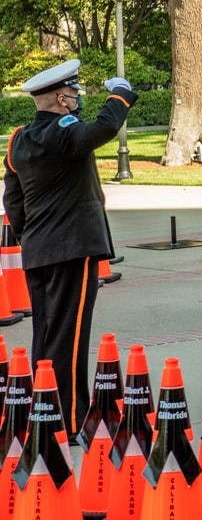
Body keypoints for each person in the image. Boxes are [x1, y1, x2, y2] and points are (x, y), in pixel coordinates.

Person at [2, 59, 137, 434]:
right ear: (61, 98)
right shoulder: (63, 132)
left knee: (45, 334)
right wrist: (120, 96)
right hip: (71, 249)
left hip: (39, 251)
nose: (77, 100)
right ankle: (68, 420)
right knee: (71, 338)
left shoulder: (19, 140)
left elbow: (13, 203)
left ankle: (43, 410)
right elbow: (104, 128)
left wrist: (33, 236)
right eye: (74, 94)